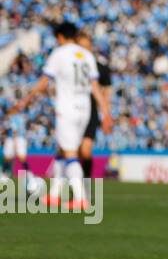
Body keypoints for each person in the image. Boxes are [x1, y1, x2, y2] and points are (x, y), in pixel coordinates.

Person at [9, 22, 112, 210]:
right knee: (62, 150)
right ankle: (55, 194)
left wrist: (26, 100)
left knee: (71, 153)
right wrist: (105, 112)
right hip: (85, 109)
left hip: (67, 109)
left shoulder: (60, 54)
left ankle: (81, 198)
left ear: (61, 37)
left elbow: (42, 83)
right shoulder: (87, 56)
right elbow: (95, 88)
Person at [75, 33, 110, 184]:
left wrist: (106, 114)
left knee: (85, 150)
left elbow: (105, 91)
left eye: (87, 47)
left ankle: (86, 184)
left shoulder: (100, 68)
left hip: (91, 113)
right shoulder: (71, 65)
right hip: (73, 110)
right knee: (74, 152)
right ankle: (74, 186)